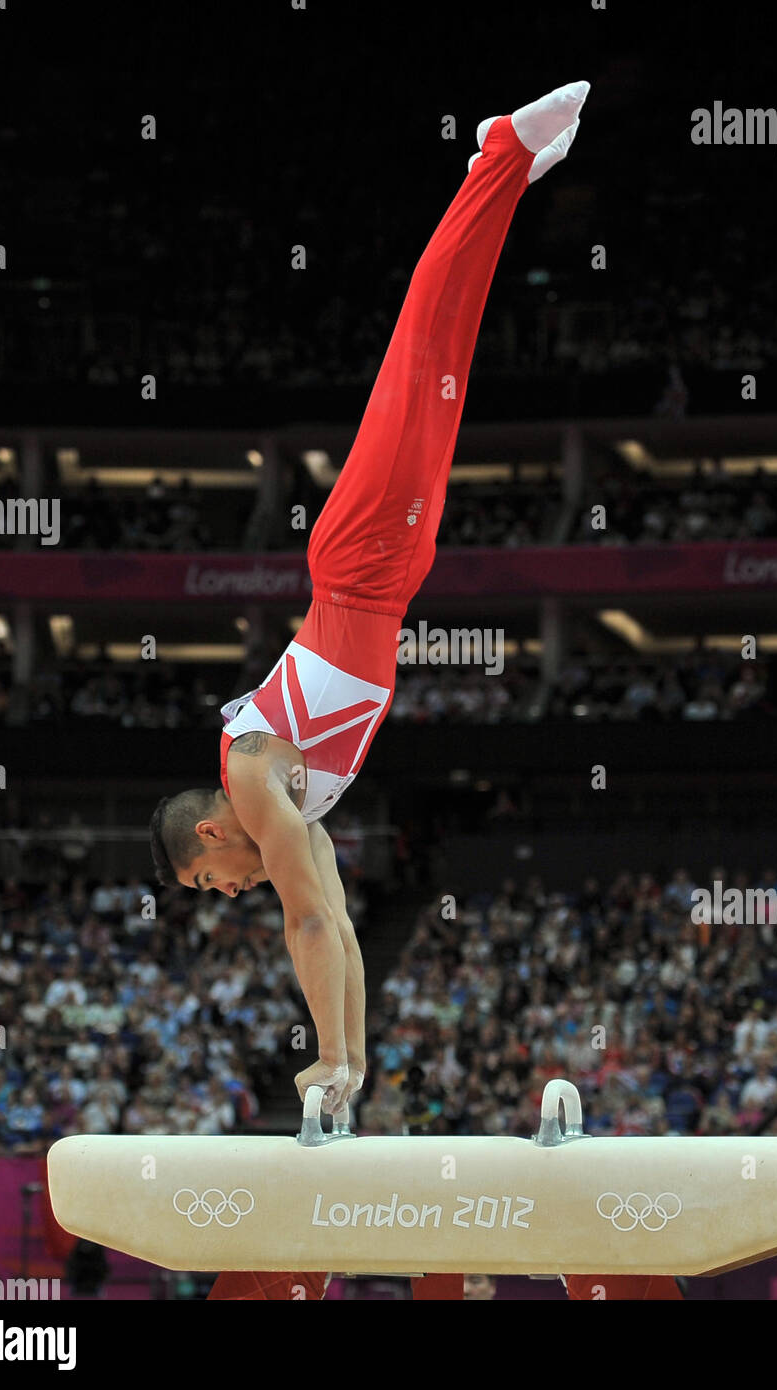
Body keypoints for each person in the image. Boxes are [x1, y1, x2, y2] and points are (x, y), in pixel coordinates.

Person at [149, 80, 591, 1125]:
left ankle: (494, 154)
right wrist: (350, 1069)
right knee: (450, 362)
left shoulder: (255, 779)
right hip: (391, 579)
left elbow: (305, 924)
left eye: (213, 884)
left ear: (211, 835)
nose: (232, 895)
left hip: (355, 563)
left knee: (423, 344)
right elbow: (341, 929)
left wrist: (334, 1056)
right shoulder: (290, 809)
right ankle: (508, 179)